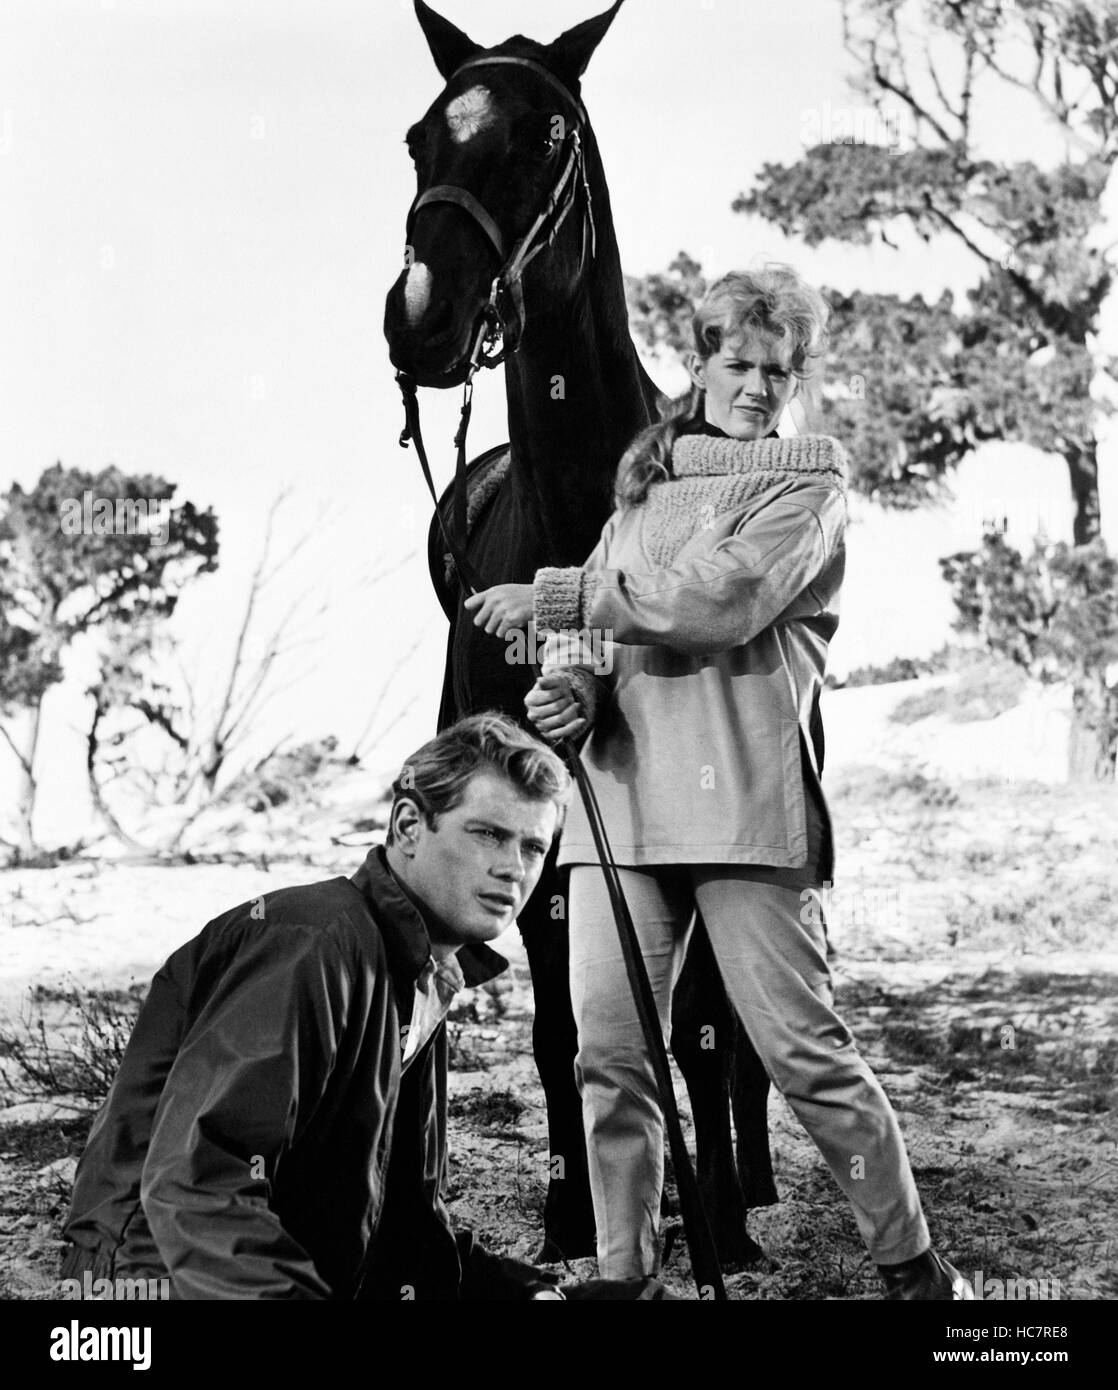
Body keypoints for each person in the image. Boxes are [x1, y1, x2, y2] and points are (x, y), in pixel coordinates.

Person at [465, 266, 973, 1300]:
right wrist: (569, 691)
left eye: (774, 370)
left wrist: (559, 591)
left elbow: (718, 599)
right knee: (608, 1056)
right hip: (618, 805)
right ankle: (623, 1272)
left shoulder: (807, 485)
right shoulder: (637, 493)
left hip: (744, 807)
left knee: (802, 1053)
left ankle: (914, 1266)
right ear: (694, 363)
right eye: (735, 362)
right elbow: (591, 643)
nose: (754, 385)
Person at [61, 713, 582, 1300]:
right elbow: (198, 1186)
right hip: (158, 1279)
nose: (513, 868)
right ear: (409, 825)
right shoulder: (309, 944)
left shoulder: (420, 974)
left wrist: (530, 1294)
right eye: (487, 834)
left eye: (533, 846)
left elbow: (399, 1225)